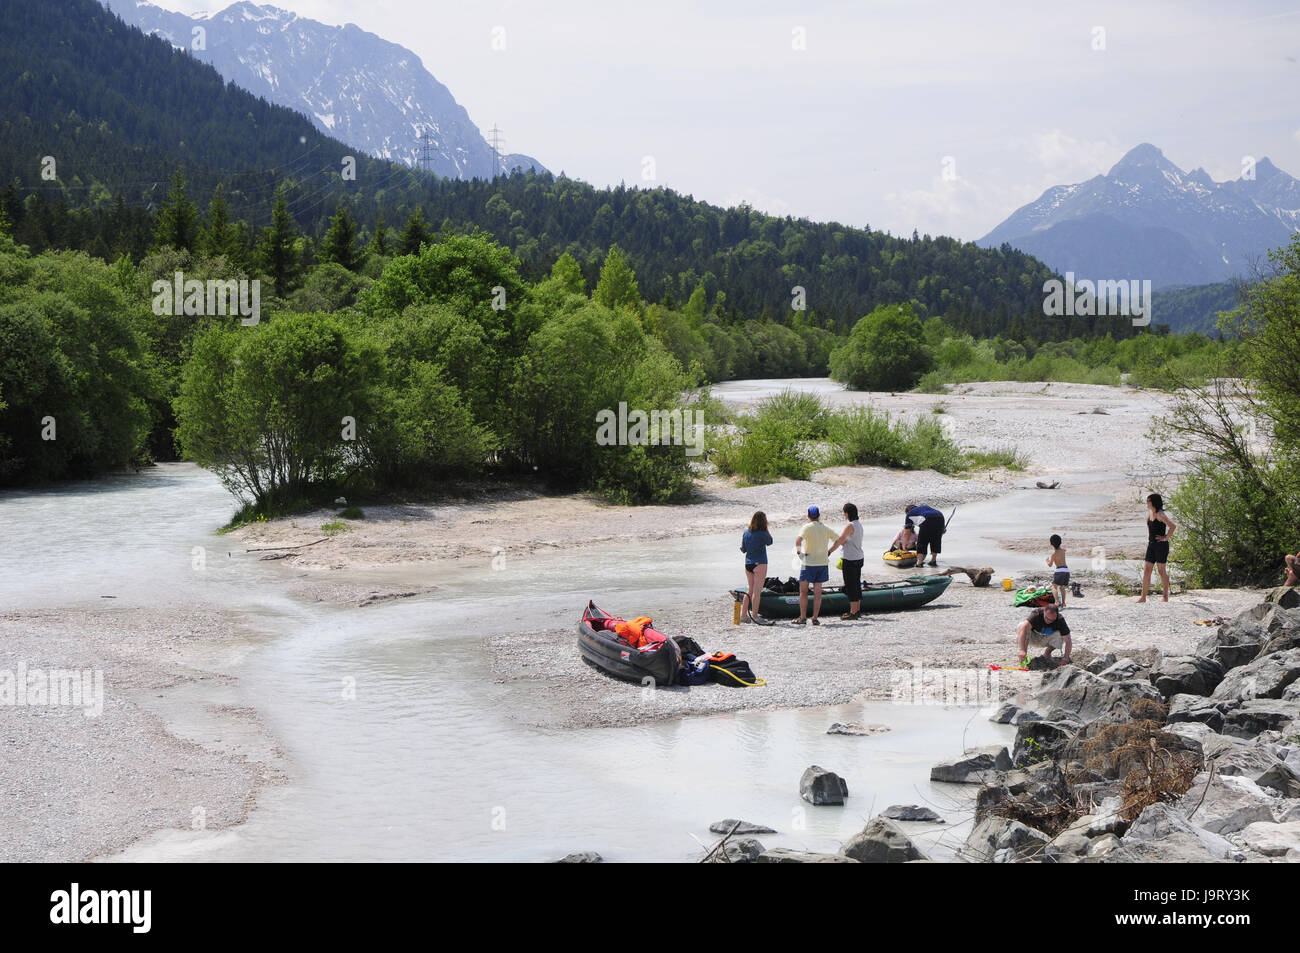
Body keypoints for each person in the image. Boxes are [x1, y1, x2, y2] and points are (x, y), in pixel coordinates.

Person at [794, 505, 838, 625]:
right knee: (817, 592)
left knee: (803, 591)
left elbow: (798, 540)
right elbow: (838, 540)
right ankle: (814, 618)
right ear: (819, 516)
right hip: (822, 562)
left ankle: (803, 617)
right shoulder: (825, 528)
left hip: (808, 563)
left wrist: (799, 553)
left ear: (808, 516)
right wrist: (830, 551)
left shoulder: (807, 527)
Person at [828, 502, 865, 620]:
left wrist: (829, 551)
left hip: (850, 558)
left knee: (850, 585)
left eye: (844, 513)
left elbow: (840, 541)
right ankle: (857, 610)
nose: (844, 515)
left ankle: (853, 612)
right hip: (859, 557)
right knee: (856, 584)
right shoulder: (858, 524)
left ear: (847, 513)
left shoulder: (850, 526)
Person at [1137, 493, 1176, 603]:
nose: (1147, 503)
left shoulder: (1160, 514)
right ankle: (1143, 597)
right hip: (1151, 545)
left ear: (1153, 502)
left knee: (1161, 571)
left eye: (1148, 501)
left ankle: (1165, 597)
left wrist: (1165, 538)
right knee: (1147, 570)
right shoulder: (1150, 514)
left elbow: (1173, 526)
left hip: (1161, 546)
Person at [739, 511, 774, 625]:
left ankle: (743, 615)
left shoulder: (746, 532)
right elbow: (770, 542)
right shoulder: (762, 532)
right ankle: (755, 616)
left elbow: (743, 549)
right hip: (760, 563)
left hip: (748, 563)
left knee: (750, 590)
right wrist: (766, 530)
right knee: (757, 592)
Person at [1016, 602, 1072, 667]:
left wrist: (1065, 658)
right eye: (1047, 618)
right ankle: (1023, 657)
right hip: (1032, 638)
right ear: (1044, 611)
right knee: (1021, 626)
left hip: (1046, 640)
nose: (1049, 621)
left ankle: (1047, 654)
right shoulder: (1037, 614)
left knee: (1060, 634)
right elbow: (1023, 629)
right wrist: (1022, 650)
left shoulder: (1060, 620)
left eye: (1052, 620)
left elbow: (1068, 640)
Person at [905, 503, 945, 567]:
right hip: (940, 516)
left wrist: (905, 545)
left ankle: (919, 562)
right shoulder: (923, 508)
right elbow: (942, 531)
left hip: (927, 518)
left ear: (907, 512)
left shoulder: (909, 514)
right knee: (935, 540)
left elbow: (907, 532)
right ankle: (933, 561)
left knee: (922, 541)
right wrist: (941, 530)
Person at [1047, 534, 1069, 608]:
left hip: (1059, 570)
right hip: (1066, 570)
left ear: (1051, 544)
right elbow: (1063, 549)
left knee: (1054, 587)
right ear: (1060, 542)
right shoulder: (1063, 551)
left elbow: (1050, 565)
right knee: (1062, 587)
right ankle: (1063, 603)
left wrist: (1047, 561)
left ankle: (1056, 601)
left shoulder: (1053, 554)